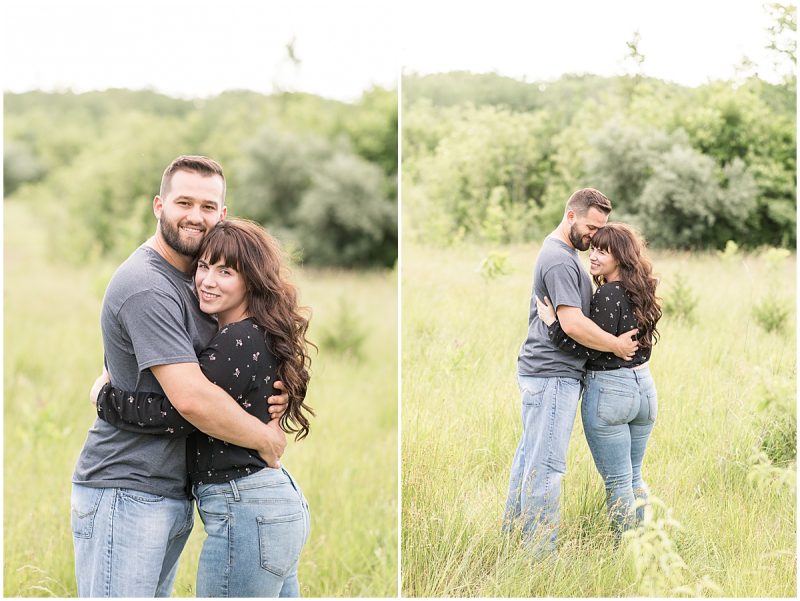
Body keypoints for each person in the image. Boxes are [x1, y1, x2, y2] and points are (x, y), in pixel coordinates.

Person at [71, 156, 289, 597]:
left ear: (222, 214)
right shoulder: (147, 284)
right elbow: (192, 399)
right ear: (158, 205)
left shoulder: (199, 279)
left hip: (170, 489)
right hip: (126, 485)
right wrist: (264, 438)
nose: (195, 216)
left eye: (208, 206)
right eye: (183, 202)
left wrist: (273, 395)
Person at [95, 219, 314, 597]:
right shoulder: (249, 333)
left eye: (225, 272)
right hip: (268, 505)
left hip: (246, 506)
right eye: (203, 267)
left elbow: (181, 411)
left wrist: (106, 398)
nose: (208, 281)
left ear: (251, 280)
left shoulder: (239, 338)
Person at [503, 188, 640, 555]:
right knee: (547, 468)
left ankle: (512, 540)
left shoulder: (562, 253)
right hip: (552, 374)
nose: (594, 236)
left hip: (547, 372)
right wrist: (616, 345)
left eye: (600, 229)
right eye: (591, 227)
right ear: (571, 216)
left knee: (529, 460)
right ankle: (539, 557)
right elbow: (573, 324)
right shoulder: (561, 260)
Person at [536, 223, 661, 540]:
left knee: (619, 481)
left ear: (620, 256)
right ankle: (646, 544)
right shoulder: (640, 291)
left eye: (603, 251)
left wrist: (552, 324)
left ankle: (627, 551)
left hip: (611, 392)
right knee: (634, 477)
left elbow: (588, 347)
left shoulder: (608, 294)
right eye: (593, 248)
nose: (593, 256)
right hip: (644, 388)